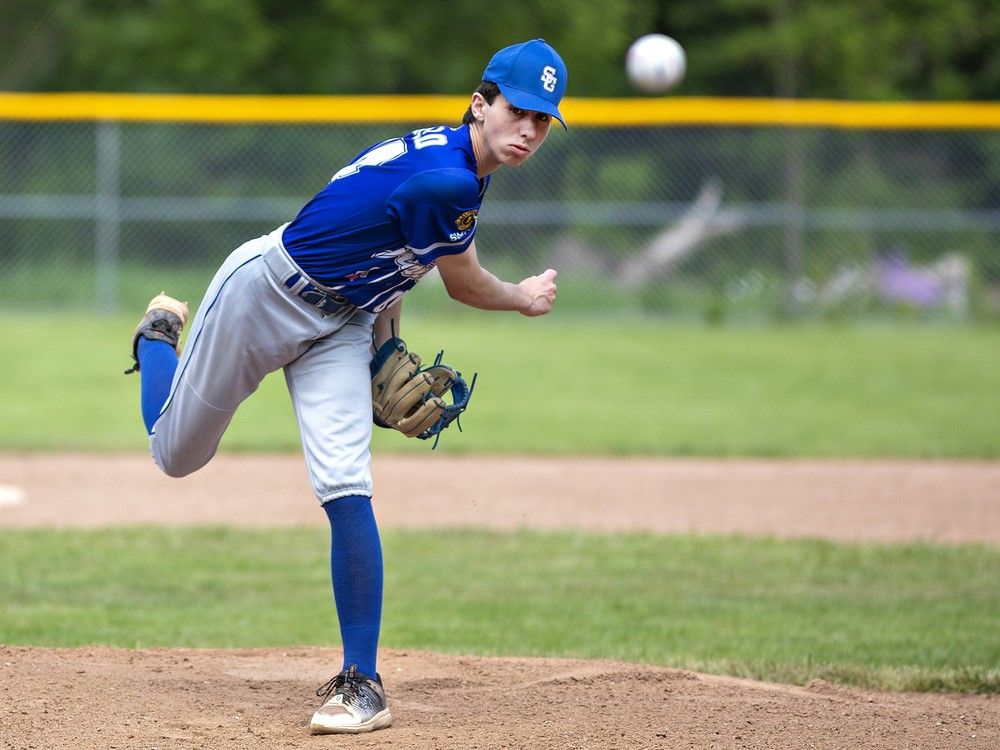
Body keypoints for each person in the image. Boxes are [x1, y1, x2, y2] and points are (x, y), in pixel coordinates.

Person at [125, 38, 567, 735]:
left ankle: (362, 682)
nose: (529, 130)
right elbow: (463, 282)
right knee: (175, 456)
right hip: (265, 294)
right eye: (519, 111)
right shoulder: (450, 181)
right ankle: (157, 340)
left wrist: (383, 344)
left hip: (343, 320)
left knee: (346, 483)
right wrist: (522, 297)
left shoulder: (463, 166)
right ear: (480, 104)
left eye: (543, 121)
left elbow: (398, 263)